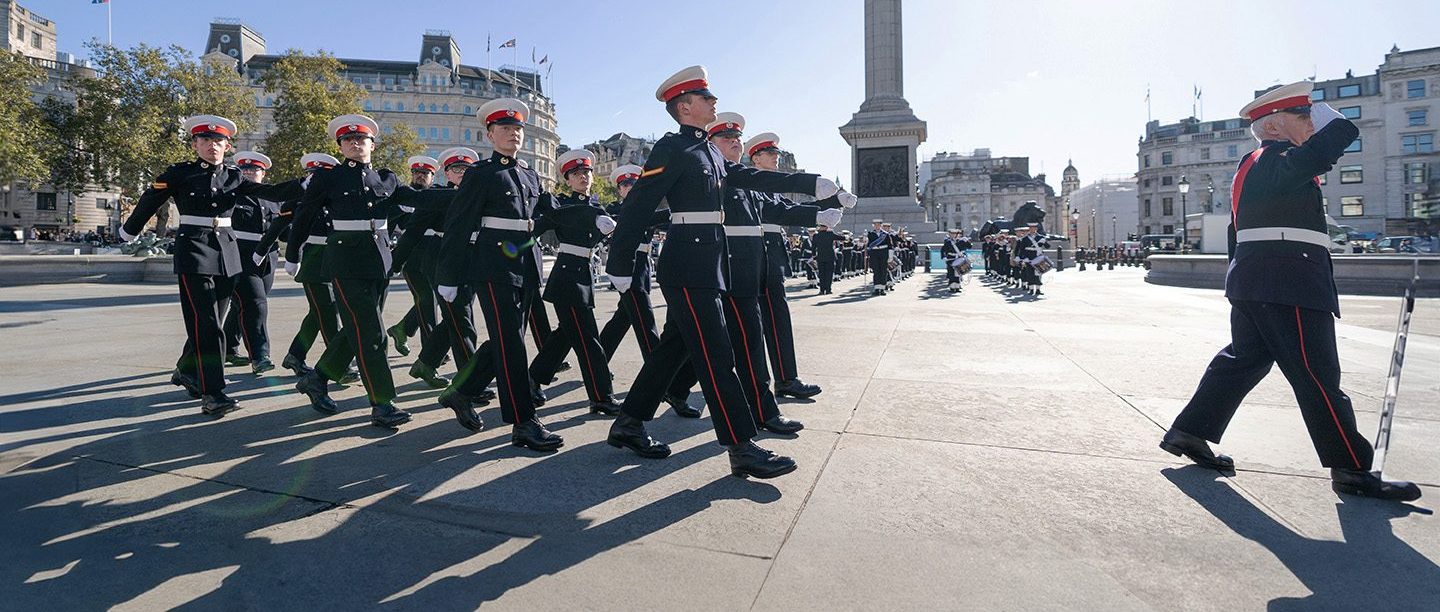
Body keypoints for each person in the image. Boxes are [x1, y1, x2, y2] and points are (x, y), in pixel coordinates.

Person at [1160, 81, 1420, 502]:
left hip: (1259, 280)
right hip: (1288, 283)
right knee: (1317, 375)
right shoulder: (1275, 158)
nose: (1311, 124)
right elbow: (1332, 144)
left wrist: (1240, 278)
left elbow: (1237, 231)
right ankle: (1351, 468)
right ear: (1275, 126)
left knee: (1244, 360)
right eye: (1303, 116)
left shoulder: (1258, 164)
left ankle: (1189, 431)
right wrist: (1335, 119)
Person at [605, 66, 842, 478]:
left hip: (709, 265)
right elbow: (638, 205)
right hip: (687, 266)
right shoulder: (671, 148)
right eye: (705, 97)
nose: (714, 101)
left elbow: (748, 176)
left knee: (672, 351)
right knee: (718, 356)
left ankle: (629, 422)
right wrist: (619, 262)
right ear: (684, 107)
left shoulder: (710, 152)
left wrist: (811, 185)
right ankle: (741, 447)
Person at [118, 115, 300, 415]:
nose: (212, 146)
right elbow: (151, 198)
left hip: (227, 253)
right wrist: (129, 230)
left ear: (227, 146)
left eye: (218, 141)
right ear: (195, 144)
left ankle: (187, 371)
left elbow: (272, 193)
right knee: (208, 324)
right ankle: (213, 393)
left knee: (211, 320)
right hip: (194, 250)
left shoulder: (234, 177)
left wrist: (308, 184)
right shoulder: (181, 173)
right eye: (205, 140)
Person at [433, 98, 565, 449]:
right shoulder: (480, 174)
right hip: (493, 266)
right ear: (490, 135)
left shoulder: (529, 174)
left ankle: (462, 392)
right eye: (505, 128)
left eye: (518, 128)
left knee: (506, 340)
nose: (513, 133)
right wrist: (448, 276)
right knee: (512, 345)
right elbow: (458, 225)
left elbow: (551, 213)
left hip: (525, 263)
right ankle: (523, 422)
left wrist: (592, 219)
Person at [709, 113, 843, 434]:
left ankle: (772, 392)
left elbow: (778, 209)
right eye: (728, 139)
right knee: (725, 339)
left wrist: (822, 210)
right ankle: (761, 405)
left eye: (738, 139)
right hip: (729, 265)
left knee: (749, 333)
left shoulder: (746, 179)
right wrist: (812, 187)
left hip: (756, 260)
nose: (736, 143)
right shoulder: (720, 175)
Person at [289, 114, 413, 429]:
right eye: (348, 140)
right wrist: (292, 253)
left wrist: (463, 194)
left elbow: (418, 198)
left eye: (361, 139)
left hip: (379, 261)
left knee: (358, 327)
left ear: (373, 145)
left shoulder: (386, 178)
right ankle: (382, 404)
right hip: (345, 262)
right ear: (341, 146)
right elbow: (304, 214)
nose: (355, 143)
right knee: (372, 334)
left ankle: (317, 378)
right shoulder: (328, 178)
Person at [745, 131, 852, 397]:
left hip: (770, 256)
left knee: (778, 318)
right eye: (771, 154)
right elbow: (781, 212)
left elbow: (790, 208)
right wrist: (818, 215)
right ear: (756, 158)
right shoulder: (748, 184)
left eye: (777, 154)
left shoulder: (771, 190)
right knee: (735, 325)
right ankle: (679, 383)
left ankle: (786, 378)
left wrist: (834, 201)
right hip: (751, 256)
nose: (776, 158)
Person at [595, 164, 703, 418]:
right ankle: (662, 383)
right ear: (619, 190)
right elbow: (621, 222)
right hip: (627, 269)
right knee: (647, 326)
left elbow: (666, 218)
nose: (630, 188)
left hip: (642, 269)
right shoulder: (615, 211)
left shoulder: (648, 209)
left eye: (634, 184)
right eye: (625, 185)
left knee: (621, 321)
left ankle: (596, 366)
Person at [525, 148, 625, 415]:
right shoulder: (562, 205)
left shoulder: (597, 207)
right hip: (567, 277)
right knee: (588, 339)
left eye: (586, 172)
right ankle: (601, 396)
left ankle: (532, 378)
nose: (583, 177)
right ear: (567, 180)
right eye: (576, 173)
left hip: (584, 275)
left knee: (565, 335)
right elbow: (555, 220)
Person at [252, 153, 356, 384]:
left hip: (336, 258)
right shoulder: (299, 198)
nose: (314, 179)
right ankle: (340, 365)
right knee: (327, 312)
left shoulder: (338, 195)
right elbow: (278, 225)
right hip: (311, 261)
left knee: (318, 313)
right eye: (311, 174)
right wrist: (261, 251)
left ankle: (295, 355)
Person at [388, 149, 482, 390]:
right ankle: (469, 383)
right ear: (447, 174)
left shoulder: (480, 195)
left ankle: (426, 363)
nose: (462, 174)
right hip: (441, 260)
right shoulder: (437, 196)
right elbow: (413, 232)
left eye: (467, 170)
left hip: (472, 261)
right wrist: (394, 264)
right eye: (456, 170)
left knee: (454, 318)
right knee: (463, 322)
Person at [222, 151, 281, 374]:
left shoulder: (273, 197)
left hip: (268, 257)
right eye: (244, 169)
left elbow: (283, 228)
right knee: (256, 304)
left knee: (244, 305)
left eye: (254, 169)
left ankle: (228, 347)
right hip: (240, 255)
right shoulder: (232, 194)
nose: (248, 173)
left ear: (263, 173)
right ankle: (260, 355)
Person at [386, 155, 440, 358]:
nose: (420, 176)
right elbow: (386, 226)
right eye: (416, 172)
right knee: (427, 301)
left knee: (432, 300)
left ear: (433, 177)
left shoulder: (438, 194)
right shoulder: (402, 198)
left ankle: (402, 329)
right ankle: (430, 353)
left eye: (425, 173)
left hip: (436, 257)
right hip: (412, 259)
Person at [866, 219, 893, 296]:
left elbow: (890, 245)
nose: (877, 226)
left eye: (878, 224)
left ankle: (882, 288)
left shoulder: (885, 234)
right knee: (876, 270)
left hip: (883, 253)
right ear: (873, 226)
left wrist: (890, 256)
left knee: (883, 271)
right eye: (875, 225)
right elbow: (868, 245)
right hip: (874, 253)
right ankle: (877, 288)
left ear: (881, 225)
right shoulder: (870, 234)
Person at [812, 224, 840, 294]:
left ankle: (822, 290)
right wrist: (846, 237)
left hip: (820, 257)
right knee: (829, 274)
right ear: (826, 227)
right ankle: (828, 290)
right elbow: (841, 238)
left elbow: (813, 247)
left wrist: (814, 256)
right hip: (830, 257)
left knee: (821, 274)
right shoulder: (830, 234)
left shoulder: (816, 235)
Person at [940, 228, 970, 293]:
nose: (953, 235)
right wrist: (944, 257)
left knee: (958, 273)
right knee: (951, 273)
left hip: (959, 258)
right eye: (951, 234)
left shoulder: (961, 241)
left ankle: (957, 287)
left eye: (954, 234)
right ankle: (952, 287)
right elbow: (943, 250)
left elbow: (969, 247)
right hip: (951, 258)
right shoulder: (948, 242)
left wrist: (967, 241)